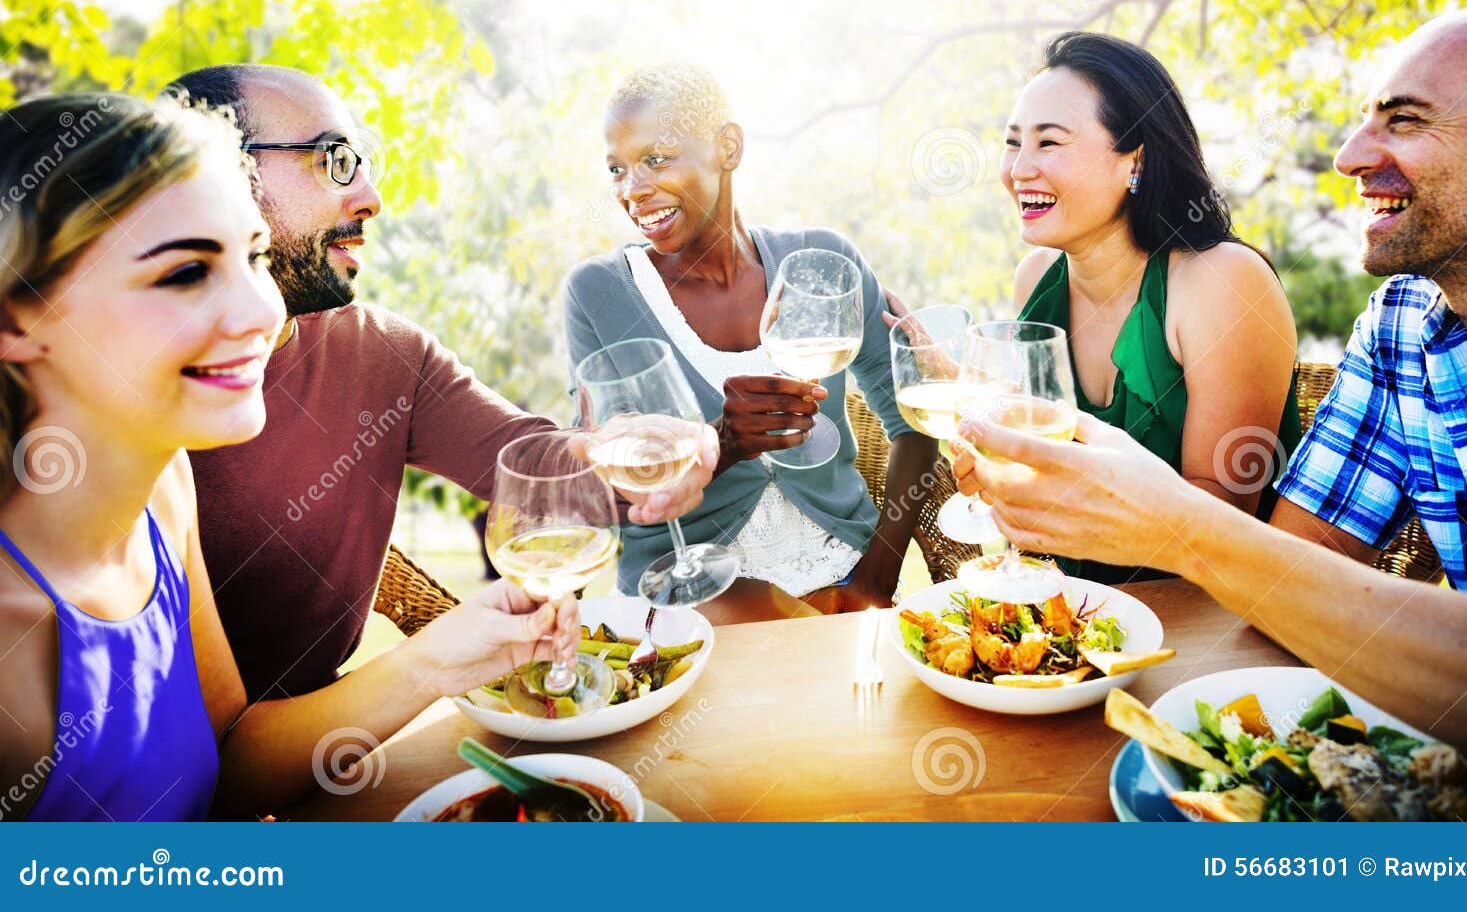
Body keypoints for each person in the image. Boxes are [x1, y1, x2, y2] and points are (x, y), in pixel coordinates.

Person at [952, 3, 1467, 808]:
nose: (1348, 156)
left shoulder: (1218, 281)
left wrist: (1177, 525)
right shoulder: (1403, 324)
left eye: (1403, 120)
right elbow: (1287, 578)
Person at [0, 93, 578, 821]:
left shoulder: (163, 491)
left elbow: (228, 770)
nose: (260, 312)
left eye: (255, 257)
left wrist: (440, 659)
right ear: (15, 319)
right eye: (184, 273)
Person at [164, 65, 716, 700]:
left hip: (332, 750)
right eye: (332, 160)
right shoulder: (119, 394)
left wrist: (609, 455)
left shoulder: (382, 350)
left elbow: (528, 462)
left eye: (361, 162)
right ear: (218, 173)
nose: (370, 197)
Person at [564, 64, 940, 621]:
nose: (632, 189)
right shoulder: (600, 292)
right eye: (617, 169)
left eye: (655, 160)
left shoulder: (822, 260)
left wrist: (876, 579)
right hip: (687, 588)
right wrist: (722, 442)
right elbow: (611, 481)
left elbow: (916, 419)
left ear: (727, 148)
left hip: (845, 566)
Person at [1003, 31, 1300, 581]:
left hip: (1210, 624)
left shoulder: (1222, 283)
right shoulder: (1036, 280)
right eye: (1012, 142)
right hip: (1074, 622)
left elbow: (1218, 526)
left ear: (1133, 160)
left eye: (1048, 143)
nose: (1019, 169)